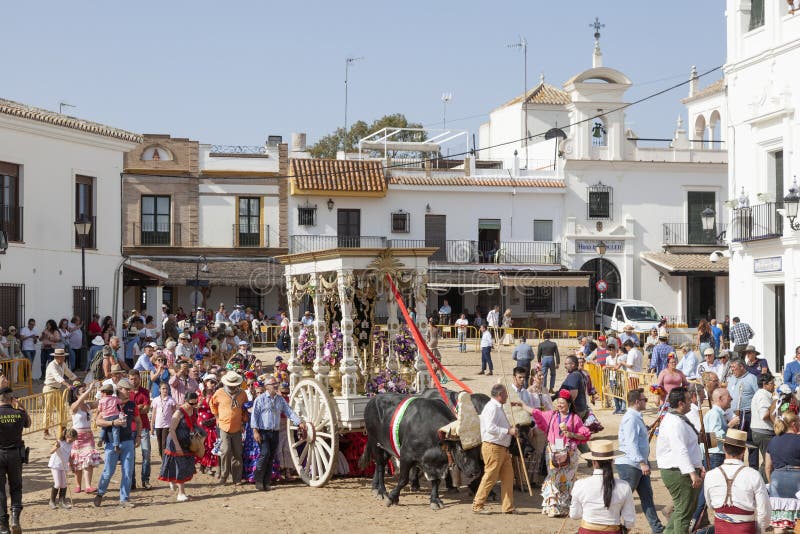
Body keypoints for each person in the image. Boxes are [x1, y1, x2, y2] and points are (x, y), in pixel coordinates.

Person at [523, 389, 591, 517]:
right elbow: (536, 412)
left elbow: (585, 435)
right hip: (553, 453)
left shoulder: (575, 419)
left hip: (569, 455)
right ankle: (552, 508)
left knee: (567, 480)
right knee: (553, 478)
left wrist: (571, 434)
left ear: (569, 404)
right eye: (558, 402)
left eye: (562, 403)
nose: (559, 405)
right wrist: (522, 405)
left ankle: (566, 507)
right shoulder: (552, 415)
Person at [656, 387, 705, 534]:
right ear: (681, 403)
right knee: (684, 513)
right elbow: (680, 450)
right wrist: (692, 473)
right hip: (678, 472)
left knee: (683, 511)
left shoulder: (679, 418)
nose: (691, 402)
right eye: (689, 400)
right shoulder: (674, 422)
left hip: (681, 470)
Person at [616, 388, 665, 533]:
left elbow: (637, 435)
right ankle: (609, 526)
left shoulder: (635, 416)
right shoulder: (631, 418)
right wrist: (642, 462)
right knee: (623, 499)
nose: (646, 402)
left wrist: (648, 428)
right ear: (637, 402)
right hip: (631, 464)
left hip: (638, 464)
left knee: (647, 497)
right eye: (645, 399)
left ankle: (657, 528)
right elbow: (631, 443)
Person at [704, 428, 771, 533]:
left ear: (724, 449)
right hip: (746, 529)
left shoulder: (710, 475)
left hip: (721, 528)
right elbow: (764, 511)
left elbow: (710, 504)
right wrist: (759, 528)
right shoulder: (753, 475)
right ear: (744, 451)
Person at [93, 378, 141, 509]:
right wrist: (113, 423)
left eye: (130, 390)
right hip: (111, 442)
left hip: (128, 441)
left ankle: (124, 498)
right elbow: (98, 421)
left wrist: (138, 436)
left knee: (128, 471)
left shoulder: (132, 405)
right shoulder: (109, 401)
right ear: (120, 389)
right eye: (127, 389)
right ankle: (100, 493)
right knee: (108, 471)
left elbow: (138, 420)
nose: (129, 392)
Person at [570, 440, 636, 534]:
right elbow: (629, 522)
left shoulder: (580, 485)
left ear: (593, 462)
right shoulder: (624, 486)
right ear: (612, 461)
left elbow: (575, 515)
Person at [251, 377, 304, 491]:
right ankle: (259, 480)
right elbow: (254, 416)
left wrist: (299, 422)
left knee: (271, 457)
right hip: (263, 431)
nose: (276, 385)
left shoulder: (280, 399)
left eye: (276, 383)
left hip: (275, 431)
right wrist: (255, 431)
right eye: (273, 384)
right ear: (266, 387)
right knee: (265, 454)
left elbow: (289, 411)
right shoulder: (260, 399)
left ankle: (266, 482)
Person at [472, 383, 518, 515]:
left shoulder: (498, 407)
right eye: (505, 394)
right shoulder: (491, 407)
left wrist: (511, 431)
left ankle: (507, 507)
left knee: (508, 477)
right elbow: (490, 428)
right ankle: (477, 505)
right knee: (490, 477)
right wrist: (508, 431)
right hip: (493, 447)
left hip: (502, 448)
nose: (507, 396)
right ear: (499, 395)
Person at [159, 391, 204, 502]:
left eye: (195, 403)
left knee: (185, 466)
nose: (193, 406)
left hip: (187, 441)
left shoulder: (194, 410)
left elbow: (193, 424)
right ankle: (181, 493)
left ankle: (174, 482)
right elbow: (172, 430)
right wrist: (177, 447)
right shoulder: (178, 413)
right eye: (191, 403)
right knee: (180, 466)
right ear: (185, 401)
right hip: (175, 442)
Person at [0, 386, 30, 534]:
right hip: (15, 455)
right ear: (12, 399)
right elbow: (28, 423)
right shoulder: (19, 414)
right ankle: (15, 519)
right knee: (16, 487)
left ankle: (4, 526)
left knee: (0, 490)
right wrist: (22, 407)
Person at [211, 371, 248, 485]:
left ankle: (237, 478)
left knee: (237, 453)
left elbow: (245, 409)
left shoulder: (242, 394)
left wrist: (243, 422)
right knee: (225, 451)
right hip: (223, 426)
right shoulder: (219, 392)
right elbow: (212, 404)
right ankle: (224, 475)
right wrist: (217, 416)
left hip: (237, 427)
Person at [765, 410, 800, 531]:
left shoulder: (773, 441)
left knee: (779, 524)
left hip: (777, 480)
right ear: (794, 424)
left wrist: (771, 482)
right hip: (797, 480)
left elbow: (768, 467)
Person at [68, 383, 101, 494]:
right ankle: (78, 485)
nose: (86, 393)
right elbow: (79, 401)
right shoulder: (74, 406)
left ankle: (88, 486)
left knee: (89, 460)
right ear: (77, 395)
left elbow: (97, 403)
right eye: (83, 391)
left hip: (88, 435)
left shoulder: (87, 406)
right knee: (77, 461)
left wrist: (98, 390)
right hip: (77, 436)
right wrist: (90, 389)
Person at [728, 360, 760, 469]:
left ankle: (753, 468)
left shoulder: (752, 378)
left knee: (750, 443)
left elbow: (758, 396)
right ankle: (738, 467)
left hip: (747, 415)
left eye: (734, 367)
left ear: (742, 367)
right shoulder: (732, 379)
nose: (732, 369)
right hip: (733, 416)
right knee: (736, 443)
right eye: (731, 367)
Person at [42, 348, 77, 438]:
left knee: (62, 409)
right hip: (49, 389)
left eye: (63, 356)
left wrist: (77, 379)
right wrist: (67, 385)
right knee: (48, 410)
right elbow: (57, 377)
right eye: (61, 356)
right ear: (57, 357)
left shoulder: (63, 364)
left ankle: (63, 430)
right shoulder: (52, 365)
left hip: (57, 389)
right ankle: (45, 431)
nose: (63, 358)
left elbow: (69, 373)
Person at [705, 388, 742, 471]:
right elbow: (714, 436)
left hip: (715, 454)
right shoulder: (715, 414)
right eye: (728, 396)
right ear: (720, 398)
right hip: (715, 454)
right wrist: (730, 425)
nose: (731, 399)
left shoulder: (716, 414)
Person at [128, 371, 152, 490]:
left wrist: (133, 410)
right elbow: (127, 412)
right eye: (131, 379)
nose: (134, 381)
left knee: (146, 454)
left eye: (135, 379)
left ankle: (145, 479)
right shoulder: (126, 393)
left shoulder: (145, 392)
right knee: (131, 456)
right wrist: (139, 407)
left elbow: (146, 409)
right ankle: (132, 481)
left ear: (139, 378)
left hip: (144, 426)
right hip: (130, 428)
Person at [750, 373, 776, 478]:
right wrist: (775, 405)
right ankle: (763, 484)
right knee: (769, 462)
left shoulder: (763, 394)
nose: (774, 386)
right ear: (765, 384)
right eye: (772, 383)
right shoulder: (763, 394)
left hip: (762, 432)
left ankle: (760, 480)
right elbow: (764, 415)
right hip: (763, 433)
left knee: (768, 461)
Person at [48, 427, 77, 510]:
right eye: (71, 440)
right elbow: (51, 451)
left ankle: (62, 502)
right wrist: (56, 447)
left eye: (73, 440)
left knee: (64, 484)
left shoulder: (71, 444)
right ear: (67, 436)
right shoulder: (60, 442)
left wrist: (72, 466)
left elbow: (70, 456)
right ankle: (52, 501)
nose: (72, 441)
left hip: (64, 465)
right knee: (57, 483)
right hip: (55, 465)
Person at [197, 374, 219, 475]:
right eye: (211, 382)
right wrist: (198, 405)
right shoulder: (199, 394)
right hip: (201, 423)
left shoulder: (216, 395)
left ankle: (209, 466)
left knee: (211, 445)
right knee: (202, 445)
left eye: (214, 382)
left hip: (212, 422)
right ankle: (202, 464)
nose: (213, 384)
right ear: (206, 383)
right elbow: (193, 409)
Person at [151, 383, 177, 459]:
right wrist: (152, 426)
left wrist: (174, 425)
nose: (165, 390)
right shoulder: (156, 400)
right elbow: (154, 413)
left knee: (164, 443)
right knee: (159, 443)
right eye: (163, 388)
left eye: (166, 388)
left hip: (167, 424)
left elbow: (174, 413)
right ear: (159, 390)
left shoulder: (171, 400)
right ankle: (162, 456)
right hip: (158, 425)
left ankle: (164, 460)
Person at [560, 355, 590, 421]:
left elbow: (573, 395)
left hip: (576, 410)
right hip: (580, 408)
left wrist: (565, 408)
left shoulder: (574, 375)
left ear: (573, 364)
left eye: (566, 364)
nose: (565, 366)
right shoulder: (577, 374)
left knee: (570, 430)